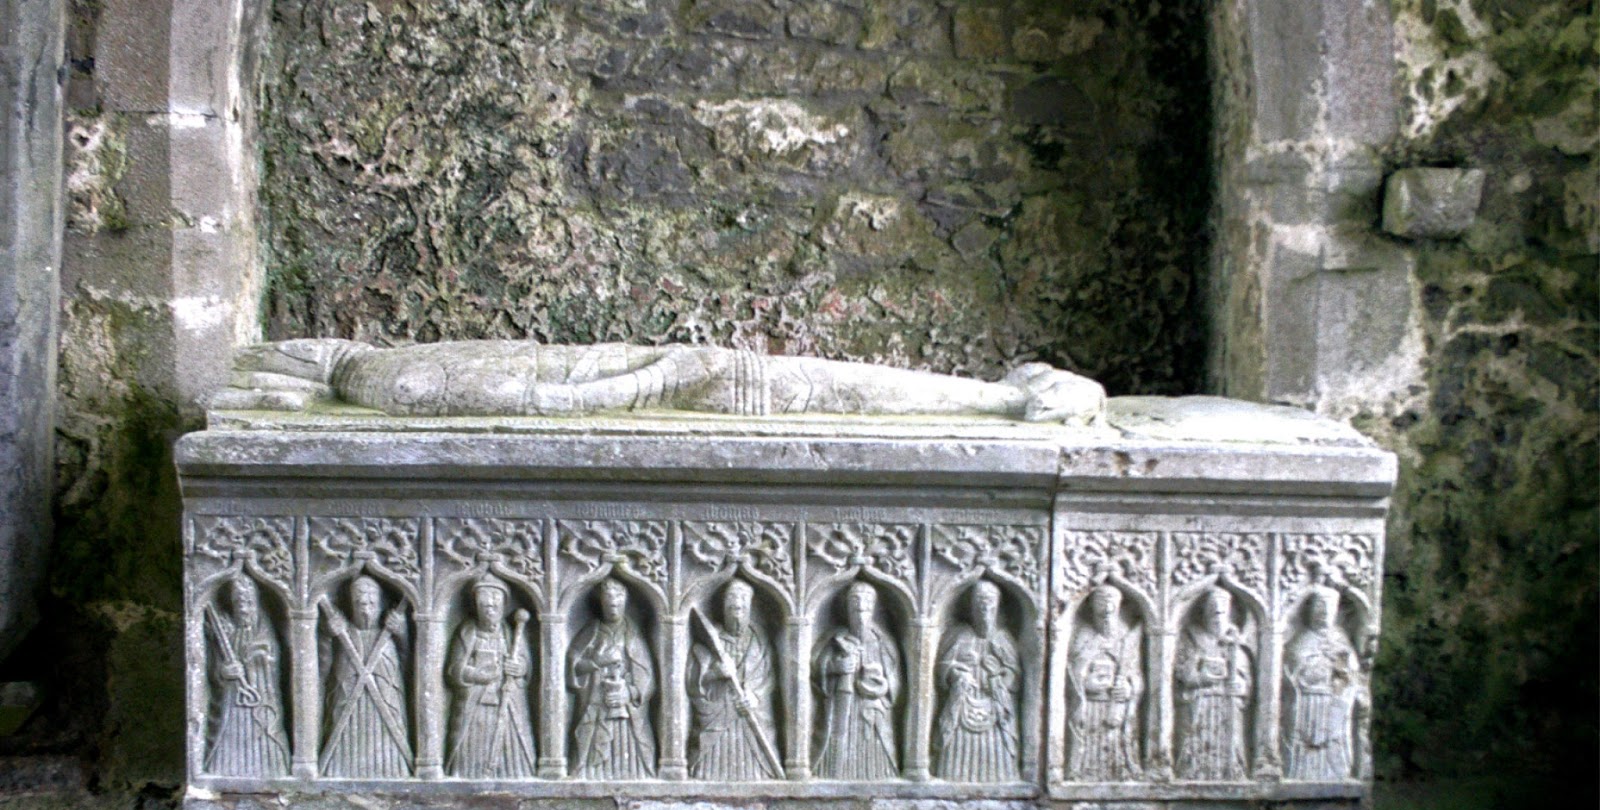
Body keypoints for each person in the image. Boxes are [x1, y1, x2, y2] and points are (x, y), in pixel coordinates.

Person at [223, 338, 1106, 424]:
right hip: (673, 382)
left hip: (664, 375)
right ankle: (1013, 395)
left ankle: (1016, 393)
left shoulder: (381, 377)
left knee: (839, 389)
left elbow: (538, 383)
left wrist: (646, 378)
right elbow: (542, 399)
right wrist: (649, 385)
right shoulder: (387, 382)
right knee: (835, 391)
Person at [319, 576, 413, 777]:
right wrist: (328, 635)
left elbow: (409, 665)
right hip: (347, 703)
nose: (365, 609)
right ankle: (338, 768)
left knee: (389, 736)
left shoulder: (387, 637)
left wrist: (402, 633)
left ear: (381, 605)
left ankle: (393, 768)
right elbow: (322, 667)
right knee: (343, 731)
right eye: (359, 603)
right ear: (351, 605)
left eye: (371, 603)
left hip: (386, 704)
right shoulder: (345, 634)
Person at [687, 581, 781, 781]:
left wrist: (755, 697)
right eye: (731, 603)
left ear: (749, 607)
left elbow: (769, 678)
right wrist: (714, 673)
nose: (737, 607)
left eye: (742, 603)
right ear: (723, 608)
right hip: (718, 714)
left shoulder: (760, 642)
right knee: (710, 768)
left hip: (750, 713)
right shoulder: (710, 644)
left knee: (757, 769)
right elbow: (692, 682)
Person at [445, 577, 536, 778]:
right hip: (475, 704)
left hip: (507, 702)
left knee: (512, 746)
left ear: (503, 606)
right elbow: (454, 670)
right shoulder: (467, 632)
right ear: (476, 605)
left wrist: (518, 668)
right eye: (483, 601)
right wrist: (477, 674)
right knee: (469, 744)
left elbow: (525, 664)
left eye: (495, 601)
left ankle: (513, 772)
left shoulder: (512, 634)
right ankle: (468, 773)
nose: (489, 606)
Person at [568, 578, 656, 779]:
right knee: (589, 755)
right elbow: (573, 666)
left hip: (626, 711)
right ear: (601, 603)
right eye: (608, 600)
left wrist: (630, 692)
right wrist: (597, 662)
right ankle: (590, 774)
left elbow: (647, 675)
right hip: (596, 705)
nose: (613, 604)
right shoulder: (591, 631)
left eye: (617, 599)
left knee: (631, 759)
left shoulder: (633, 634)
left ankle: (631, 774)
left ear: (625, 602)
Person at [933, 581, 1021, 782]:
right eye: (980, 601)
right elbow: (942, 669)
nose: (985, 608)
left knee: (997, 753)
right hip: (962, 702)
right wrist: (956, 672)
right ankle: (952, 775)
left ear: (997, 606)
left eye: (989, 602)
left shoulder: (1003, 639)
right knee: (955, 753)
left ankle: (999, 776)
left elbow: (1015, 675)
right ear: (972, 606)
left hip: (994, 706)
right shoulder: (959, 635)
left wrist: (998, 676)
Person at [203, 575, 290, 776]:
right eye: (239, 602)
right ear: (232, 604)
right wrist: (224, 672)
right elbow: (213, 670)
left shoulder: (264, 633)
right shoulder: (227, 634)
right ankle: (224, 769)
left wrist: (254, 661)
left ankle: (271, 770)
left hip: (261, 699)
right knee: (228, 738)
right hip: (231, 706)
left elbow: (272, 660)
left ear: (256, 603)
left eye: (248, 602)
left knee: (267, 732)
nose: (244, 607)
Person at [813, 582, 901, 780]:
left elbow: (895, 679)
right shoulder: (836, 639)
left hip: (873, 709)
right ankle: (834, 773)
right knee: (838, 744)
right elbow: (817, 667)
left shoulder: (883, 642)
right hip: (842, 706)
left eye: (866, 605)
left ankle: (878, 773)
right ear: (847, 609)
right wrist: (836, 667)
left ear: (873, 608)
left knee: (875, 749)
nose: (861, 610)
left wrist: (883, 685)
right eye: (855, 605)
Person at [1174, 587, 1253, 780]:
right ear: (1205, 612)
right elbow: (1182, 672)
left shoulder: (1235, 644)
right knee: (1196, 740)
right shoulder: (1191, 638)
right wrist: (1200, 678)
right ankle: (1193, 772)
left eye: (1222, 610)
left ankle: (1232, 771)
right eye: (1213, 609)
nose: (1218, 614)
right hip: (1200, 701)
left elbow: (1245, 673)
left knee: (1230, 741)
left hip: (1228, 703)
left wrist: (1241, 687)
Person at [1066, 584, 1143, 780]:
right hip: (1089, 706)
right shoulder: (1083, 636)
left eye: (1111, 602)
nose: (1107, 608)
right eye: (1101, 602)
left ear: (1118, 606)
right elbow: (1071, 671)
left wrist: (1129, 688)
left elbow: (1137, 675)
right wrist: (1083, 683)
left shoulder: (1126, 639)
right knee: (1087, 741)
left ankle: (1119, 771)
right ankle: (1079, 771)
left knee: (1114, 740)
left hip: (1115, 707)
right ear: (1092, 607)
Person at [1282, 586, 1358, 780]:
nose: (1323, 613)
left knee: (1332, 740)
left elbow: (1351, 671)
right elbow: (1292, 665)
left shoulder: (1340, 640)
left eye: (1329, 608)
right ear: (1310, 611)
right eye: (1319, 607)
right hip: (1307, 701)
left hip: (1331, 701)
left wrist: (1339, 664)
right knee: (1304, 740)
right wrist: (1314, 662)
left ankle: (1334, 775)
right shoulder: (1301, 640)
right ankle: (1299, 775)